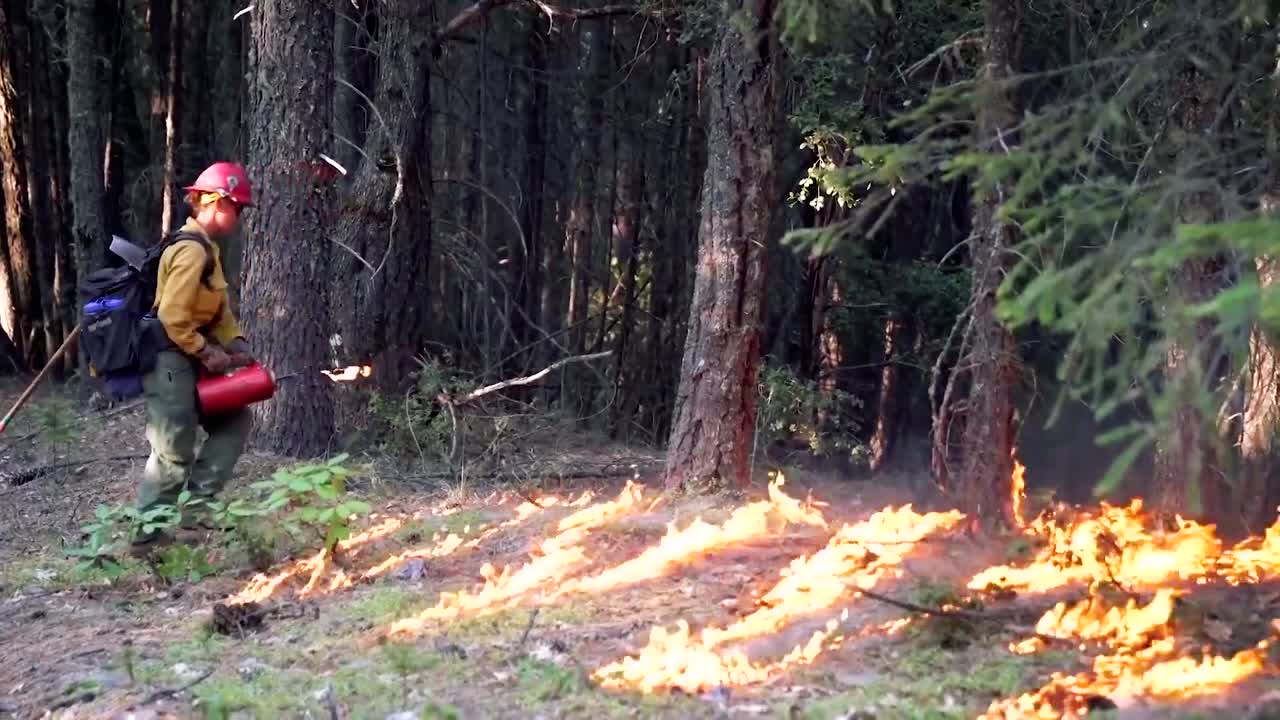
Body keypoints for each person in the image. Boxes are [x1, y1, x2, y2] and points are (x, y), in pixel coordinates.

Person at [131, 161, 256, 555]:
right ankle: (147, 539)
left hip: (189, 358)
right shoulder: (190, 250)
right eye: (237, 207)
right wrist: (207, 352)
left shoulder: (207, 250)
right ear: (217, 202)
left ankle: (197, 513)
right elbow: (172, 317)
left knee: (234, 419)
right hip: (170, 360)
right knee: (173, 450)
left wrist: (235, 343)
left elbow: (219, 312)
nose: (239, 215)